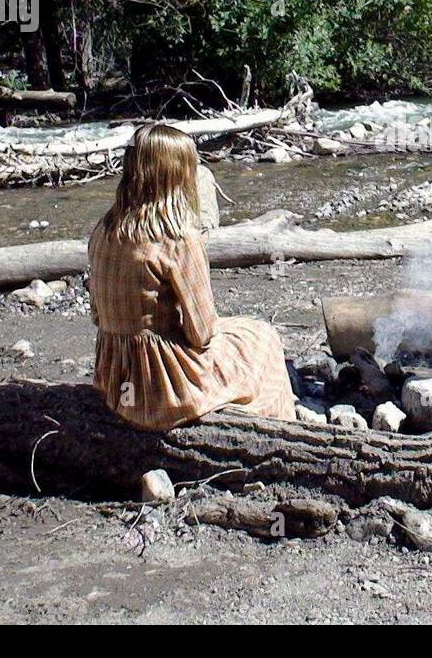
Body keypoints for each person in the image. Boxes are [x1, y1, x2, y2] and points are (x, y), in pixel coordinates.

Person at [87, 123, 296, 430]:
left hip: (118, 386)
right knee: (262, 338)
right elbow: (202, 332)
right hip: (164, 389)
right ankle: (280, 434)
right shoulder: (177, 237)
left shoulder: (104, 230)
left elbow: (97, 316)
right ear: (176, 173)